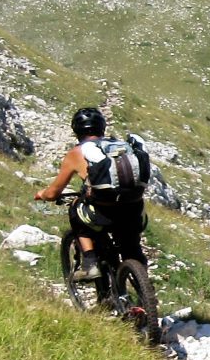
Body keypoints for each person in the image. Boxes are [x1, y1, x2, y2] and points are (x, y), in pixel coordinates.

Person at [33, 106, 149, 280]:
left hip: (103, 213)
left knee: (75, 210)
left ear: (76, 131)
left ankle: (90, 263)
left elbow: (53, 193)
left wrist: (42, 194)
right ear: (102, 128)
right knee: (131, 249)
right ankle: (144, 289)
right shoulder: (121, 147)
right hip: (133, 210)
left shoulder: (77, 153)